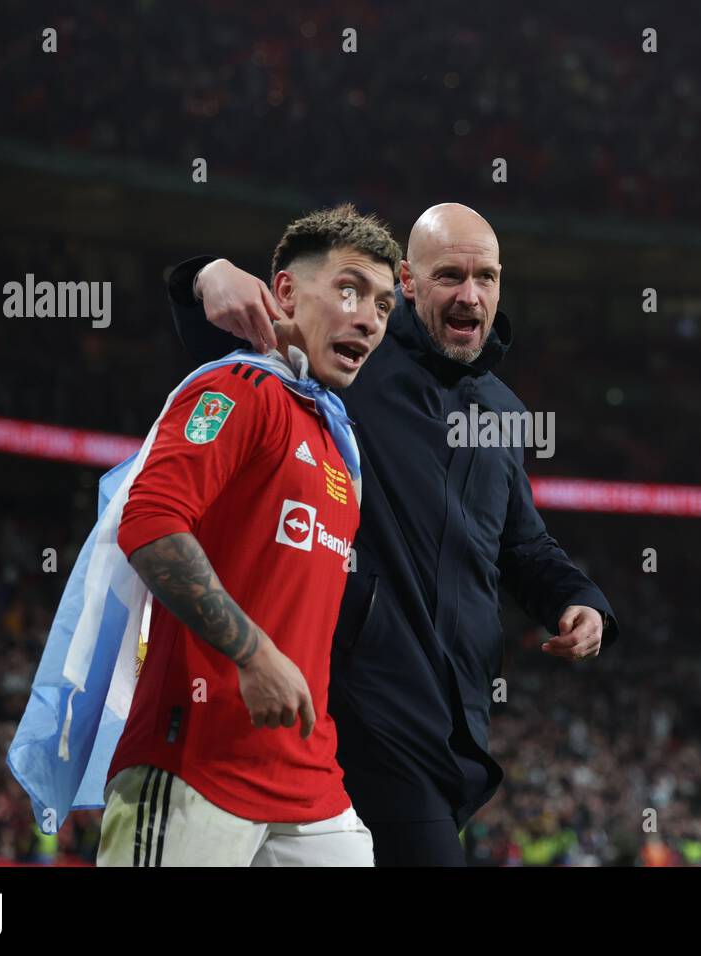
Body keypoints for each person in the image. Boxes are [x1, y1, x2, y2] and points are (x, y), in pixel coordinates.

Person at [165, 202, 618, 865]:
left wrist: (578, 600)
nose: (471, 295)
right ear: (407, 280)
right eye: (450, 277)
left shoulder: (501, 410)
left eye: (486, 278)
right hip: (360, 705)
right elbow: (239, 342)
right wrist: (206, 275)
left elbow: (521, 543)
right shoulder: (354, 358)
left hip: (454, 718)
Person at [91, 204, 401, 866]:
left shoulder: (339, 444)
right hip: (193, 765)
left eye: (383, 304)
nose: (370, 317)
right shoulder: (238, 388)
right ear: (285, 293)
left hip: (312, 784)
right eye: (350, 290)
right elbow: (150, 522)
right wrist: (255, 656)